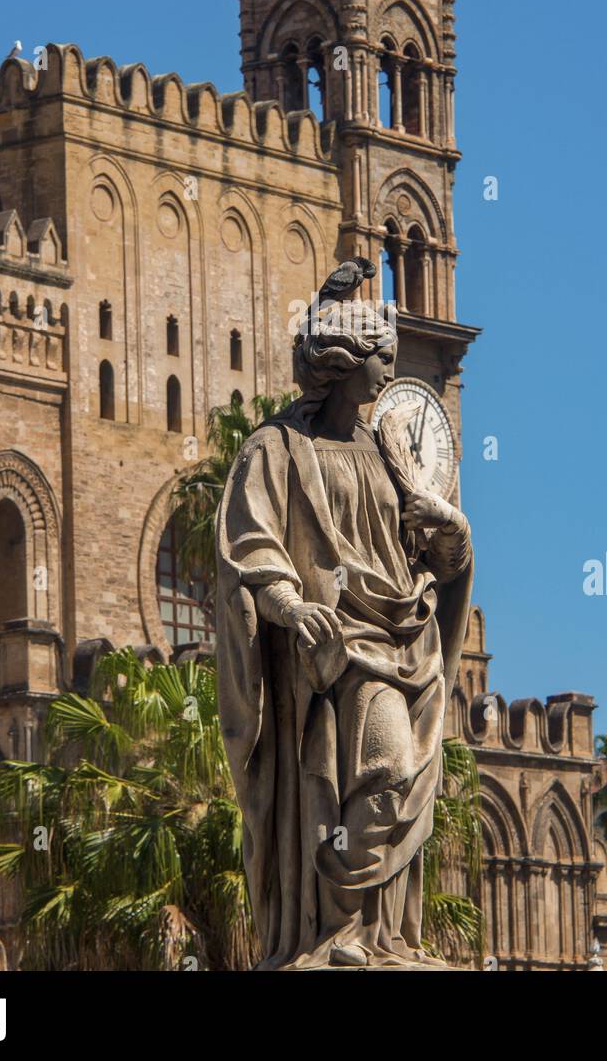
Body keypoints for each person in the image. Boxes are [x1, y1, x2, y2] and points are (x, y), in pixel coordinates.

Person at [215, 285, 474, 970]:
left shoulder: (391, 452)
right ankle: (338, 927)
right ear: (341, 361)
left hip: (404, 640)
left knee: (398, 782)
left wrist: (453, 531)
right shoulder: (275, 449)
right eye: (379, 356)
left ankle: (378, 934)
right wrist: (291, 607)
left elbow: (437, 558)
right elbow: (252, 546)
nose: (390, 371)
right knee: (382, 771)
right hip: (334, 652)